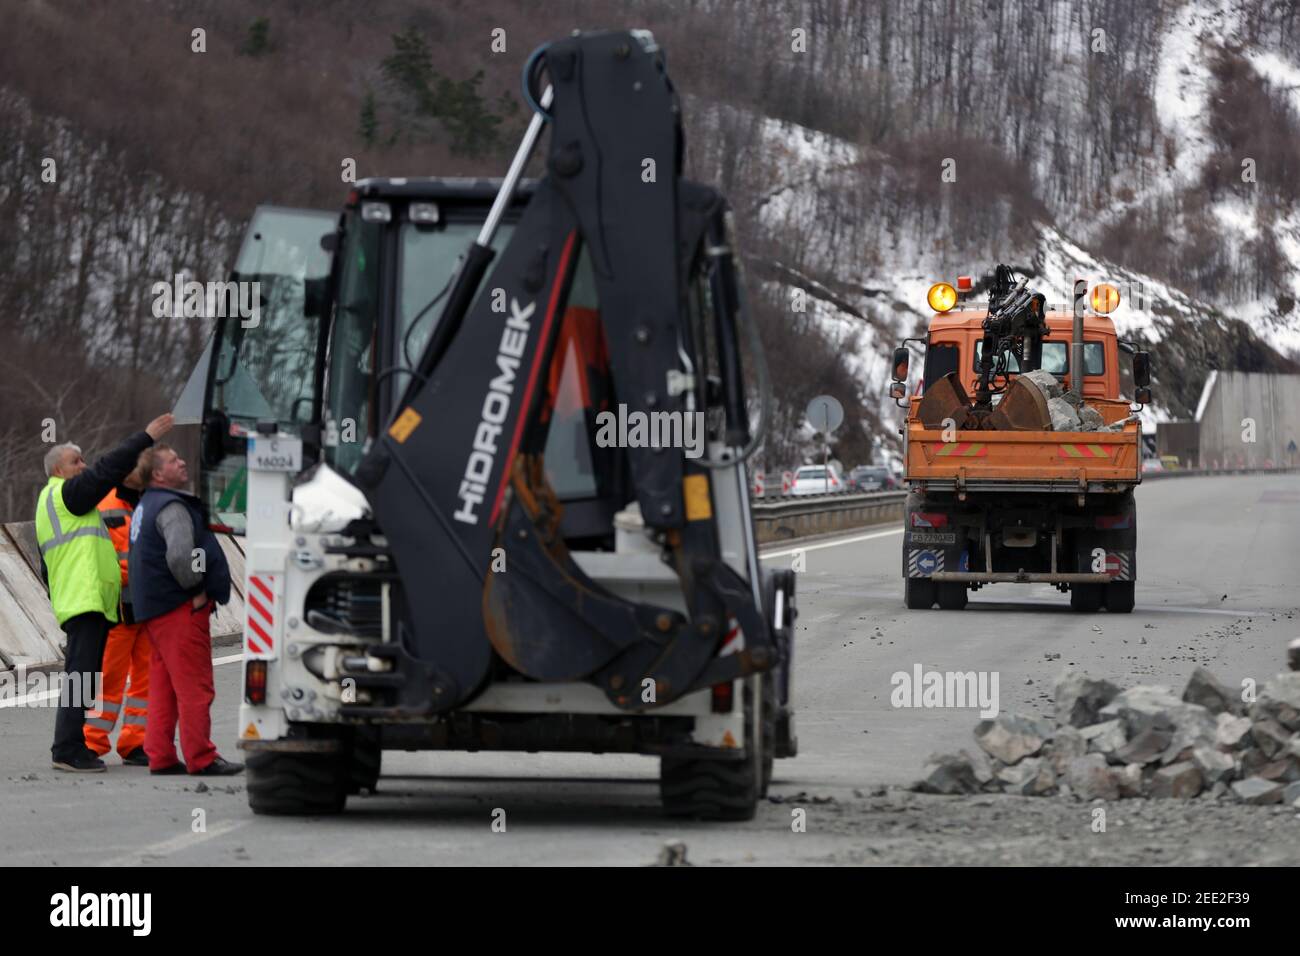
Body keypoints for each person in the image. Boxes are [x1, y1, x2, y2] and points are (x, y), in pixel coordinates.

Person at [37, 415, 174, 773]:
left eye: (82, 460)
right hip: (86, 600)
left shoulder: (53, 502)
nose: (82, 466)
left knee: (84, 677)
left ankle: (74, 746)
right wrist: (145, 436)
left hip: (84, 601)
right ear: (57, 470)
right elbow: (105, 470)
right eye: (75, 462)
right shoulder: (69, 495)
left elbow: (45, 565)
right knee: (83, 678)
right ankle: (67, 749)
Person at [129, 443, 242, 776]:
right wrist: (195, 589)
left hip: (154, 608)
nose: (181, 461)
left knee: (164, 685)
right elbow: (180, 556)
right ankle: (201, 757)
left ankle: (160, 754)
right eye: (173, 459)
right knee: (195, 686)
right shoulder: (171, 506)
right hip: (178, 607)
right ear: (158, 473)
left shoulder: (146, 504)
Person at [82, 467, 150, 766]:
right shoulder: (107, 505)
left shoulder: (149, 503)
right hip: (118, 608)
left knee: (145, 681)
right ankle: (91, 743)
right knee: (107, 679)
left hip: (146, 607)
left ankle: (135, 742)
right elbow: (106, 559)